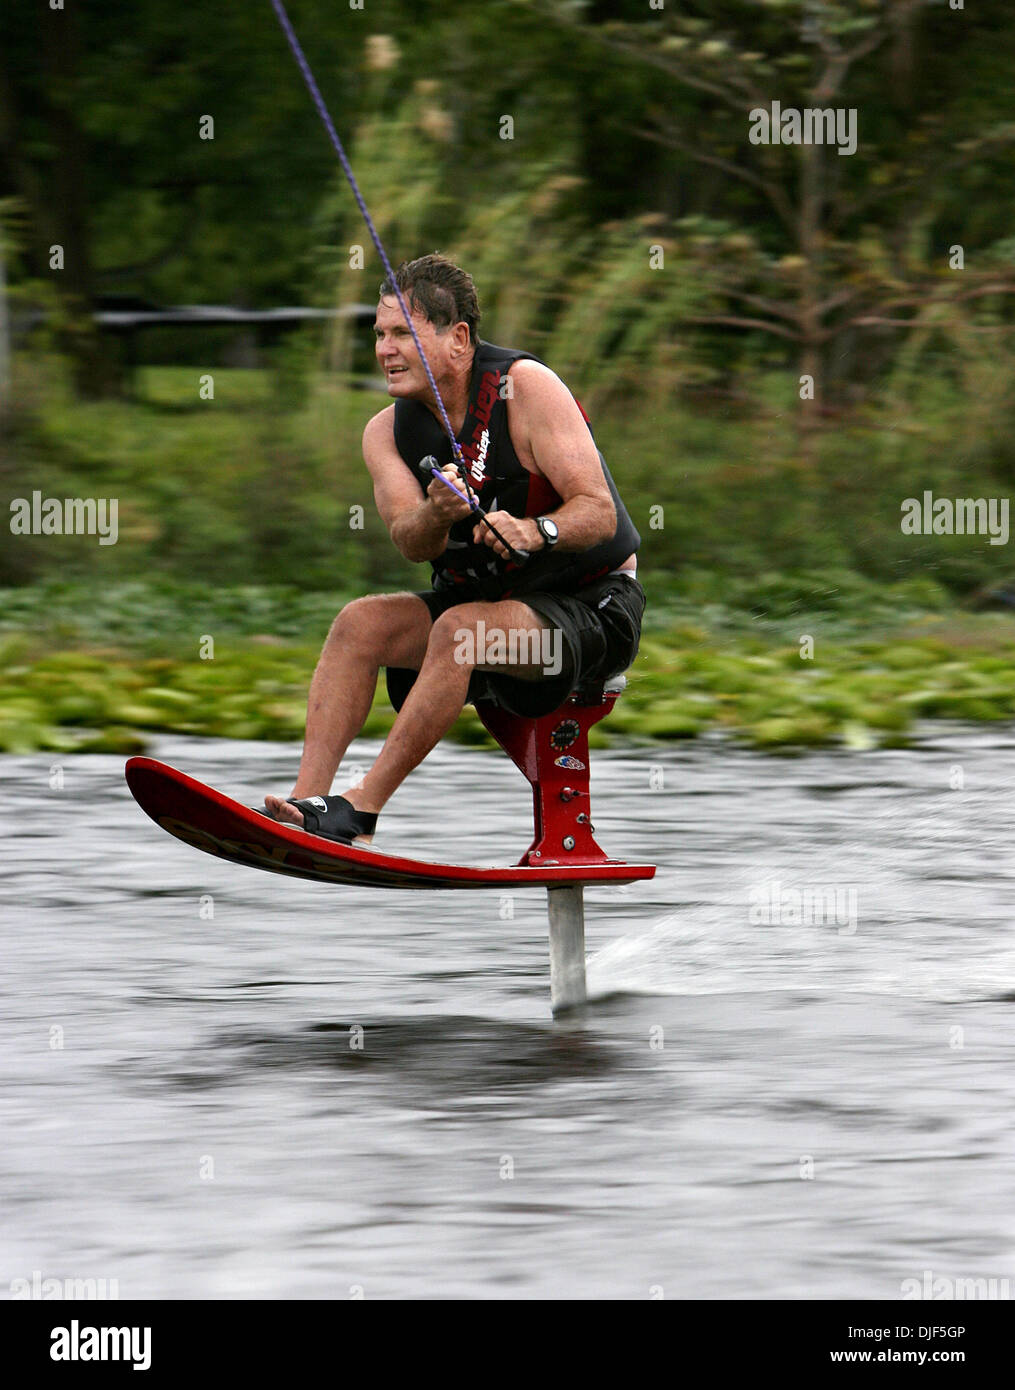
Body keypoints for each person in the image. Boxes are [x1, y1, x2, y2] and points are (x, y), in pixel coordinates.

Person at [261, 254, 645, 844]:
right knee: (359, 624)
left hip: (590, 609)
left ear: (459, 338)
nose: (384, 349)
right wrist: (435, 512)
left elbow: (597, 511)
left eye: (402, 334)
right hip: (491, 607)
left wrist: (535, 531)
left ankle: (360, 810)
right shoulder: (384, 432)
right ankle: (304, 807)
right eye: (380, 335)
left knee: (460, 631)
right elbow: (409, 542)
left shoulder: (529, 388)